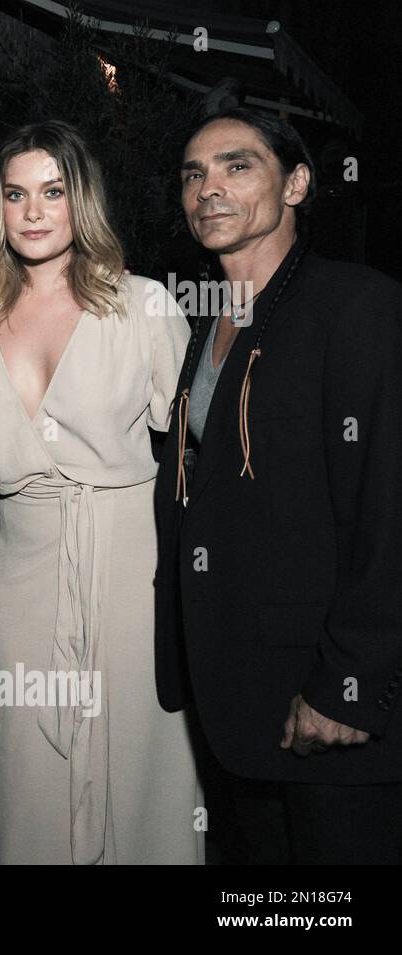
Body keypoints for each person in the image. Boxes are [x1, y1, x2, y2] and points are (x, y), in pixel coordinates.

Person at [0, 120, 204, 864]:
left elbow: (192, 451)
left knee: (136, 753)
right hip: (23, 567)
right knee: (28, 758)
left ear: (80, 200)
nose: (32, 211)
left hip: (129, 562)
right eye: (16, 194)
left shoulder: (144, 306)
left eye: (52, 192)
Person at [154, 108, 402, 864]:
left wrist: (348, 681)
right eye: (194, 174)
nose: (209, 190)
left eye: (237, 166)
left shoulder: (356, 305)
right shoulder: (211, 320)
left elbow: (386, 511)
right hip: (235, 688)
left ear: (296, 183)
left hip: (325, 698)